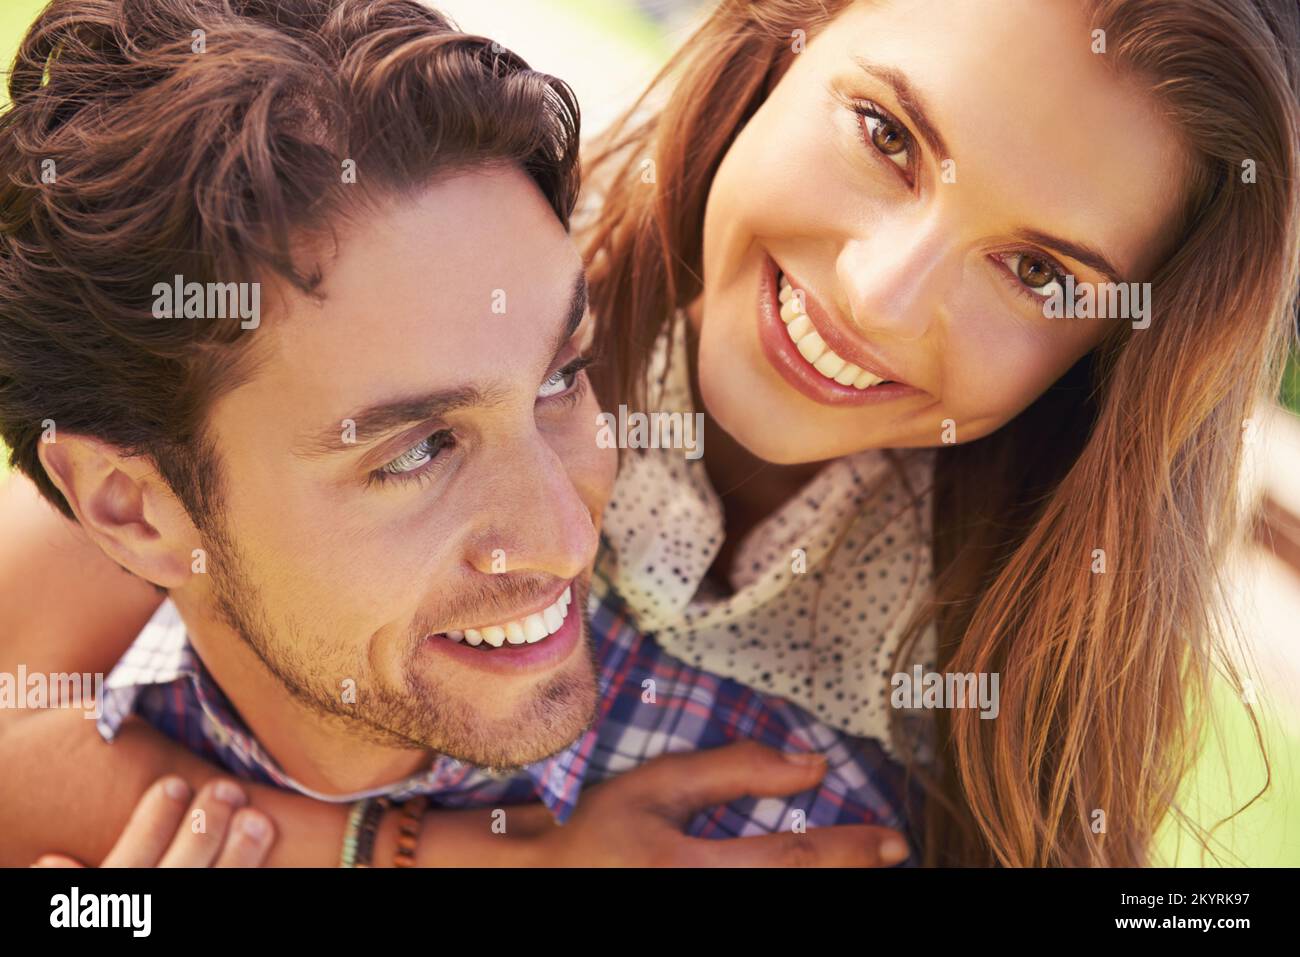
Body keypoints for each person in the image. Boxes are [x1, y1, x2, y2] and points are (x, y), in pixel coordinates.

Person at [6, 0, 1300, 867]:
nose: (878, 297)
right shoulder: (434, 284)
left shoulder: (991, 671)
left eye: (1042, 274)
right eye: (885, 135)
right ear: (784, 42)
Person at [0, 0, 910, 868]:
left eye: (561, 377)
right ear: (131, 509)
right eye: (417, 451)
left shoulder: (771, 821)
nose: (566, 537)